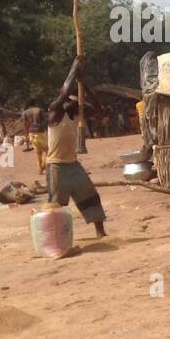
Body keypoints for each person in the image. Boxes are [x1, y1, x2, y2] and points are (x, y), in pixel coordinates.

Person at [44, 57, 106, 237]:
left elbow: (99, 109)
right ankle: (56, 239)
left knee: (90, 197)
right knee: (56, 205)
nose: (76, 103)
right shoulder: (55, 113)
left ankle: (100, 232)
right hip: (56, 166)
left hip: (73, 164)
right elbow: (63, 93)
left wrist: (84, 84)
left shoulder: (78, 116)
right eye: (72, 100)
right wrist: (74, 70)